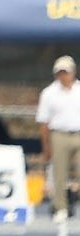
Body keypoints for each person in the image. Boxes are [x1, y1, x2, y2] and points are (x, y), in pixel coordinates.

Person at [37, 55, 80, 223]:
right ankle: (61, 207)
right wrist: (46, 147)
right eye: (60, 73)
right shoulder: (49, 93)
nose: (63, 76)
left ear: (73, 72)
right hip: (59, 135)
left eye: (66, 72)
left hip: (78, 134)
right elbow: (44, 121)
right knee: (59, 173)